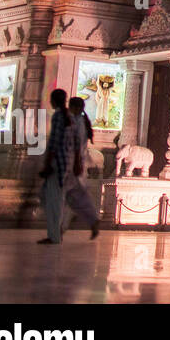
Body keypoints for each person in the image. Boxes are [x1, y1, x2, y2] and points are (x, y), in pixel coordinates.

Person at [37, 89, 74, 244]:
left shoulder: (59, 116)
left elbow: (54, 142)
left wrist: (48, 162)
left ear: (54, 100)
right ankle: (56, 231)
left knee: (53, 199)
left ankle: (54, 235)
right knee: (54, 197)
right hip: (65, 161)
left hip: (57, 162)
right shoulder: (69, 117)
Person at [62, 97, 101, 239]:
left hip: (73, 164)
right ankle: (92, 220)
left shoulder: (77, 123)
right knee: (74, 195)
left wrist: (77, 163)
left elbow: (77, 144)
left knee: (70, 195)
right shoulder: (78, 121)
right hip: (74, 163)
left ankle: (61, 227)